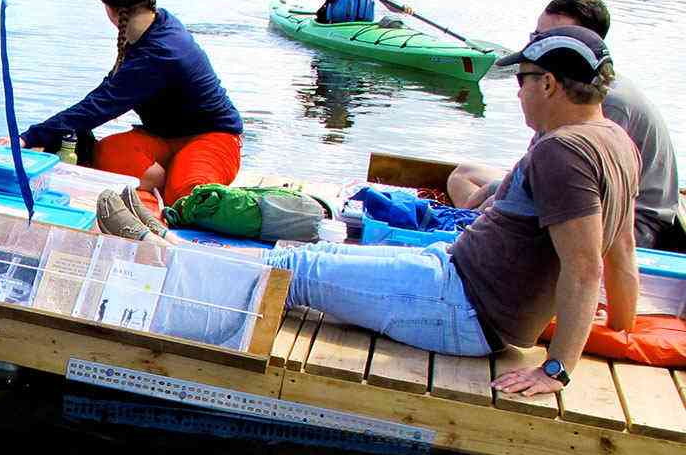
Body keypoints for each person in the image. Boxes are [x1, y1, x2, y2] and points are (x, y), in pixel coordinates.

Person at [263, 26, 639, 397]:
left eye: (522, 79)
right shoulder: (617, 140)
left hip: (460, 305)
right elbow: (623, 248)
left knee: (292, 271)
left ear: (548, 84)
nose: (519, 91)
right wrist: (622, 329)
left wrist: (557, 369)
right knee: (314, 253)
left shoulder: (563, 152)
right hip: (457, 276)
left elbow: (586, 267)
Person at [448, 0, 682, 250]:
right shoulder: (558, 89)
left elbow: (579, 190)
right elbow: (536, 165)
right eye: (536, 36)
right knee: (464, 175)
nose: (538, 46)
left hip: (631, 222)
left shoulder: (603, 103)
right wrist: (502, 192)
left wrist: (503, 206)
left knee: (502, 214)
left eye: (551, 38)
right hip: (575, 197)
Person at [19, 0, 243, 214]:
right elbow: (107, 92)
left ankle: (179, 175)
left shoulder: (160, 53)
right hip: (162, 136)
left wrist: (28, 137)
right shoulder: (158, 21)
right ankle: (169, 171)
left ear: (112, 11)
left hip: (214, 137)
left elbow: (99, 106)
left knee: (186, 198)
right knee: (105, 153)